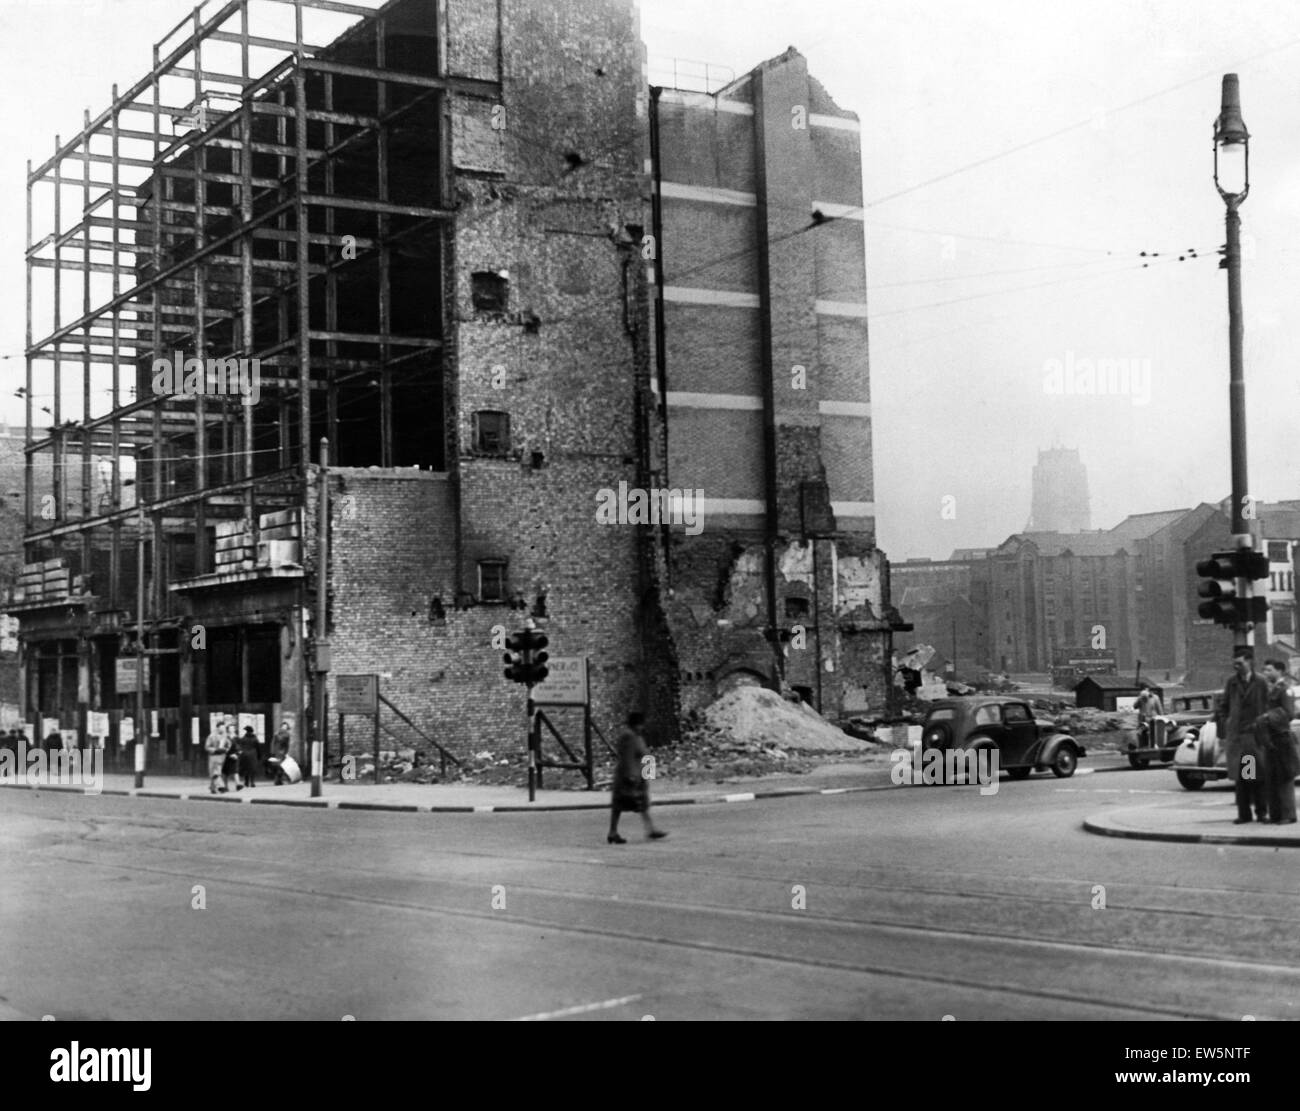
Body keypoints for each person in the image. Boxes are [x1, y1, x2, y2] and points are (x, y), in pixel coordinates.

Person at [1217, 646, 1272, 824]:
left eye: (1239, 663)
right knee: (1243, 778)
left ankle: (1260, 812)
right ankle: (1245, 813)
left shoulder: (1261, 682)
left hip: (1254, 736)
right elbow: (1223, 706)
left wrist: (1263, 724)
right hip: (1239, 738)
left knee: (1257, 777)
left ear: (1249, 662)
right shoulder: (1231, 683)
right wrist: (1227, 723)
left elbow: (1269, 705)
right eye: (1234, 664)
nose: (1236, 667)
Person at [607, 711, 667, 844]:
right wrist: (632, 776)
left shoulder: (636, 736)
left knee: (639, 804)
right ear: (635, 724)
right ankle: (613, 831)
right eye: (641, 724)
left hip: (636, 777)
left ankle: (650, 829)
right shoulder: (628, 736)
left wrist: (649, 775)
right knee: (621, 804)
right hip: (629, 778)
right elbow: (627, 758)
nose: (643, 727)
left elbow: (645, 755)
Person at [1257, 659, 1298, 825]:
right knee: (1271, 777)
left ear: (1279, 671)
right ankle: (1275, 814)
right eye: (1265, 670)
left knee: (1284, 777)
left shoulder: (1285, 690)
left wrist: (1268, 717)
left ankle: (1288, 815)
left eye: (1269, 670)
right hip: (1269, 738)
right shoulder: (1270, 690)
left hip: (1281, 738)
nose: (1266, 673)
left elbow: (1288, 713)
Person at [205, 721, 231, 794]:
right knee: (215, 773)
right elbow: (207, 747)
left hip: (222, 757)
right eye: (221, 727)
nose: (223, 729)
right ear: (217, 728)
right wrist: (215, 750)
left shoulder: (225, 736)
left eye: (224, 727)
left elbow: (229, 744)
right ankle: (221, 786)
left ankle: (212, 788)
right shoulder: (211, 736)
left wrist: (226, 749)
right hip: (214, 756)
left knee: (215, 772)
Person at [268, 721, 293, 785]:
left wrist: (272, 751)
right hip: (281, 751)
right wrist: (286, 751)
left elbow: (273, 742)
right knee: (281, 766)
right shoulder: (286, 734)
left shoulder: (277, 733)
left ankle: (278, 780)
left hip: (278, 751)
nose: (284, 727)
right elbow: (286, 743)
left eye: (285, 726)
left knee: (279, 766)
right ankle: (278, 780)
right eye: (284, 726)